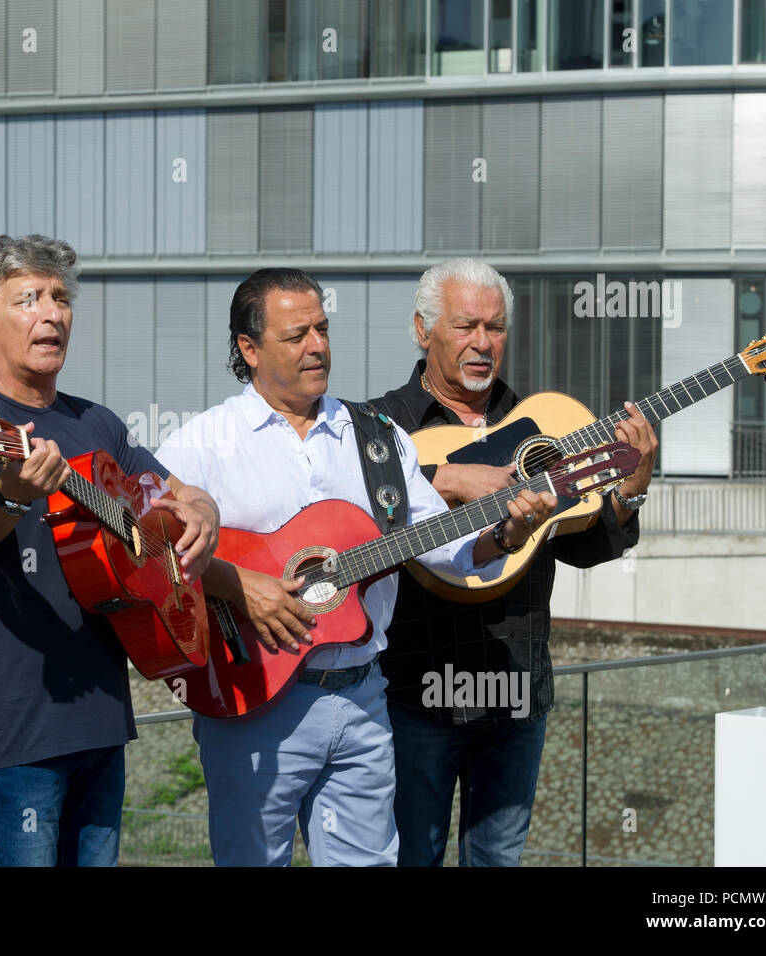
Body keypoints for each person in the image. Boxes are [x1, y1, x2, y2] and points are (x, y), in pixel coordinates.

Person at [155, 268, 555, 866]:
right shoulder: (204, 443)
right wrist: (241, 587)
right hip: (253, 699)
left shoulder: (375, 436)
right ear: (249, 348)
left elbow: (445, 548)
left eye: (322, 328)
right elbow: (144, 545)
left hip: (365, 699)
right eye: (296, 335)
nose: (317, 345)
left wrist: (507, 531)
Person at [0, 234, 219, 867]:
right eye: (28, 299)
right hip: (20, 724)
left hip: (103, 715)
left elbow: (179, 493)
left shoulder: (98, 423)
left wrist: (204, 515)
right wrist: (10, 490)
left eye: (60, 298)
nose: (52, 313)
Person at [368, 257, 658, 866]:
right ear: (423, 331)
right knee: (407, 859)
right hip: (413, 694)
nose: (482, 344)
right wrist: (446, 477)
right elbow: (349, 506)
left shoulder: (541, 426)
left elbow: (581, 544)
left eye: (495, 328)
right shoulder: (380, 426)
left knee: (497, 861)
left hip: (517, 692)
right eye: (465, 326)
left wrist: (629, 492)